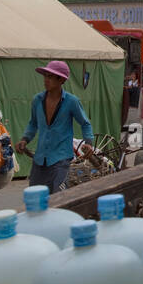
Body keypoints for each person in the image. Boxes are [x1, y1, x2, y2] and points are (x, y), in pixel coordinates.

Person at [18, 60, 94, 194]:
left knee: (58, 198)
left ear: (61, 80)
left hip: (61, 159)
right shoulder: (37, 100)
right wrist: (24, 140)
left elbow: (85, 123)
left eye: (50, 77)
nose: (46, 80)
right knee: (35, 197)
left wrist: (88, 143)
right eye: (45, 76)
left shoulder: (71, 101)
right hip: (40, 158)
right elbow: (33, 124)